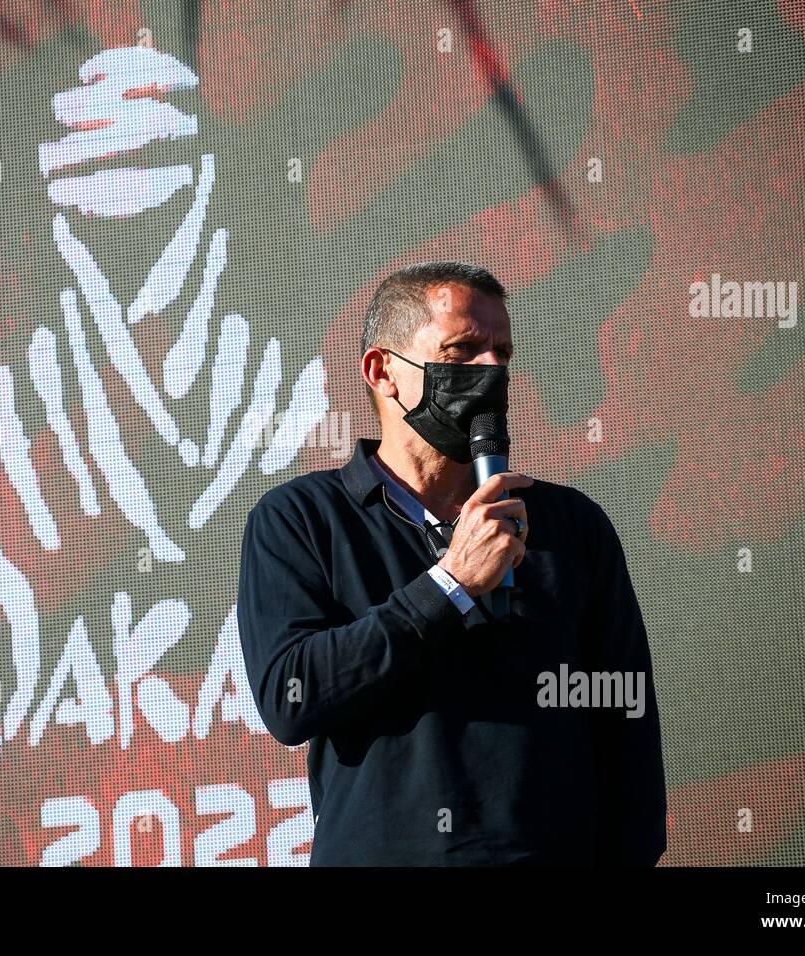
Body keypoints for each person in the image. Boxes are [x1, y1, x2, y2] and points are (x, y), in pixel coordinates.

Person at [235, 260, 667, 865]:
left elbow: (626, 720)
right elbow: (290, 696)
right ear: (382, 371)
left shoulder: (571, 526)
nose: (492, 371)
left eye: (503, 354)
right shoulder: (301, 520)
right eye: (463, 350)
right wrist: (451, 584)